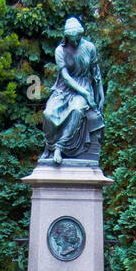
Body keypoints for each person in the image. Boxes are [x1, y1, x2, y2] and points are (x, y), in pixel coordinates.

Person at [41, 18, 105, 165]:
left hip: (84, 84)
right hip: (64, 88)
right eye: (72, 40)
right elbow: (65, 77)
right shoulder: (60, 50)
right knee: (48, 114)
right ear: (66, 38)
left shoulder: (89, 47)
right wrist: (85, 93)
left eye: (78, 39)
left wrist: (101, 94)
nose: (76, 43)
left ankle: (59, 147)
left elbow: (96, 73)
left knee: (77, 110)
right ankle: (50, 146)